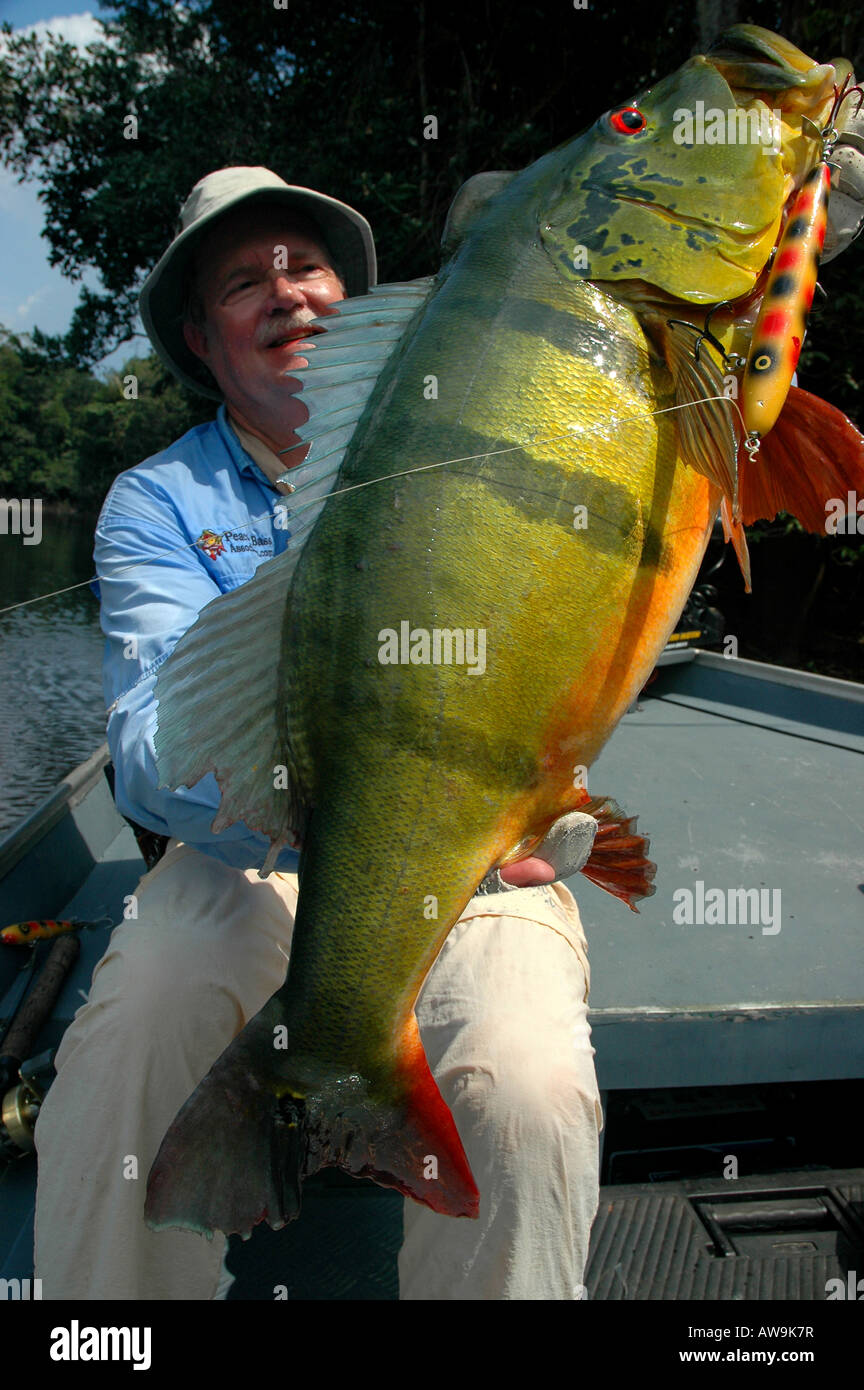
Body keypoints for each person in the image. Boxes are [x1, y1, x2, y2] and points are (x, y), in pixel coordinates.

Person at [33, 167, 603, 1301]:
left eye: (306, 265)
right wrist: (339, 799)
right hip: (239, 859)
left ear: (360, 296)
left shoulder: (486, 434)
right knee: (132, 1035)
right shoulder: (158, 502)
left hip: (475, 865)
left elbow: (649, 373)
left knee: (527, 1086)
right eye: (245, 281)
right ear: (202, 339)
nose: (286, 293)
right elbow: (147, 757)